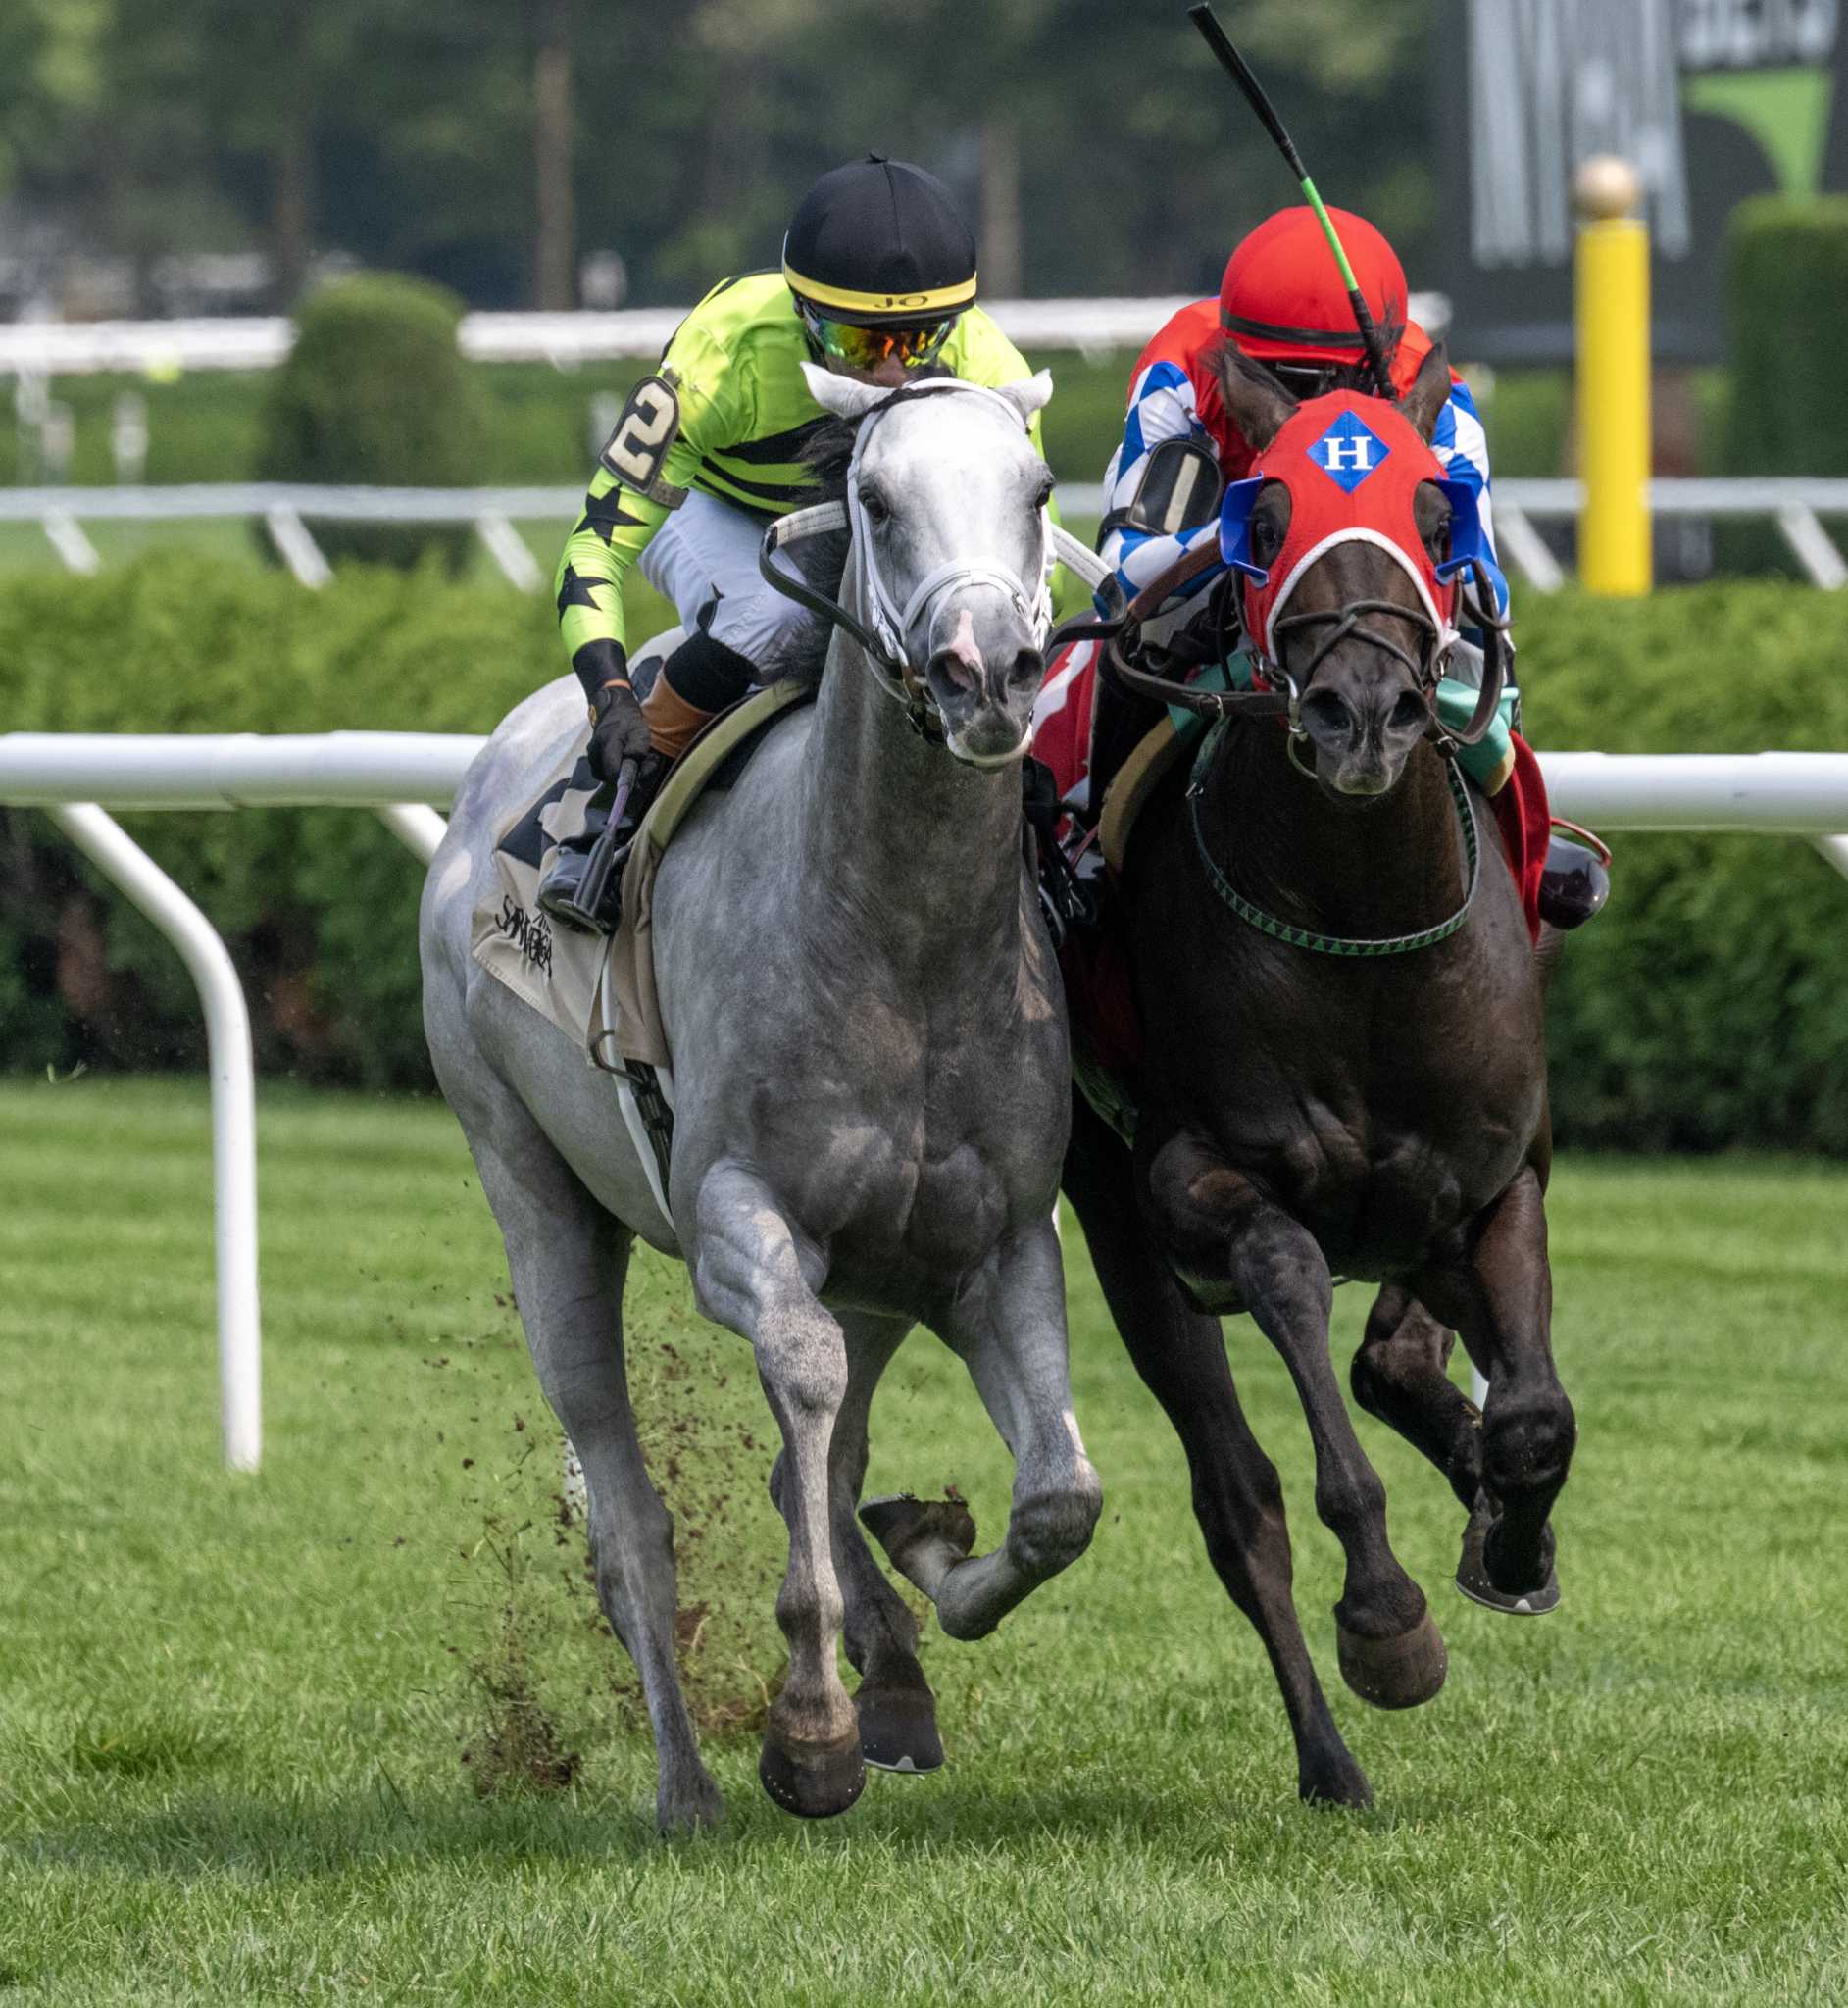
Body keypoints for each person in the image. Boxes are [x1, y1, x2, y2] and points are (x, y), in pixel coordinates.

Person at [539, 151, 1045, 929]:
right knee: (776, 617)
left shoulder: (989, 367)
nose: (889, 374)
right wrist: (608, 696)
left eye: (917, 342)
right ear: (802, 313)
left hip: (868, 517)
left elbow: (1027, 567)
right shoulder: (720, 357)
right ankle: (609, 817)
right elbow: (591, 551)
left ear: (954, 327)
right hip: (715, 509)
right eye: (856, 344)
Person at [1085, 203, 1510, 792]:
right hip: (1223, 589)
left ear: (1380, 364)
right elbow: (1123, 575)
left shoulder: (1432, 390)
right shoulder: (1182, 372)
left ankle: (1521, 827)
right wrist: (1254, 531)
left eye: (1342, 383)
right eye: (1290, 382)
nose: (1320, 408)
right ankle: (1090, 815)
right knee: (1135, 635)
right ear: (1240, 362)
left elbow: (1487, 586)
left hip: (1384, 599)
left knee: (1486, 642)